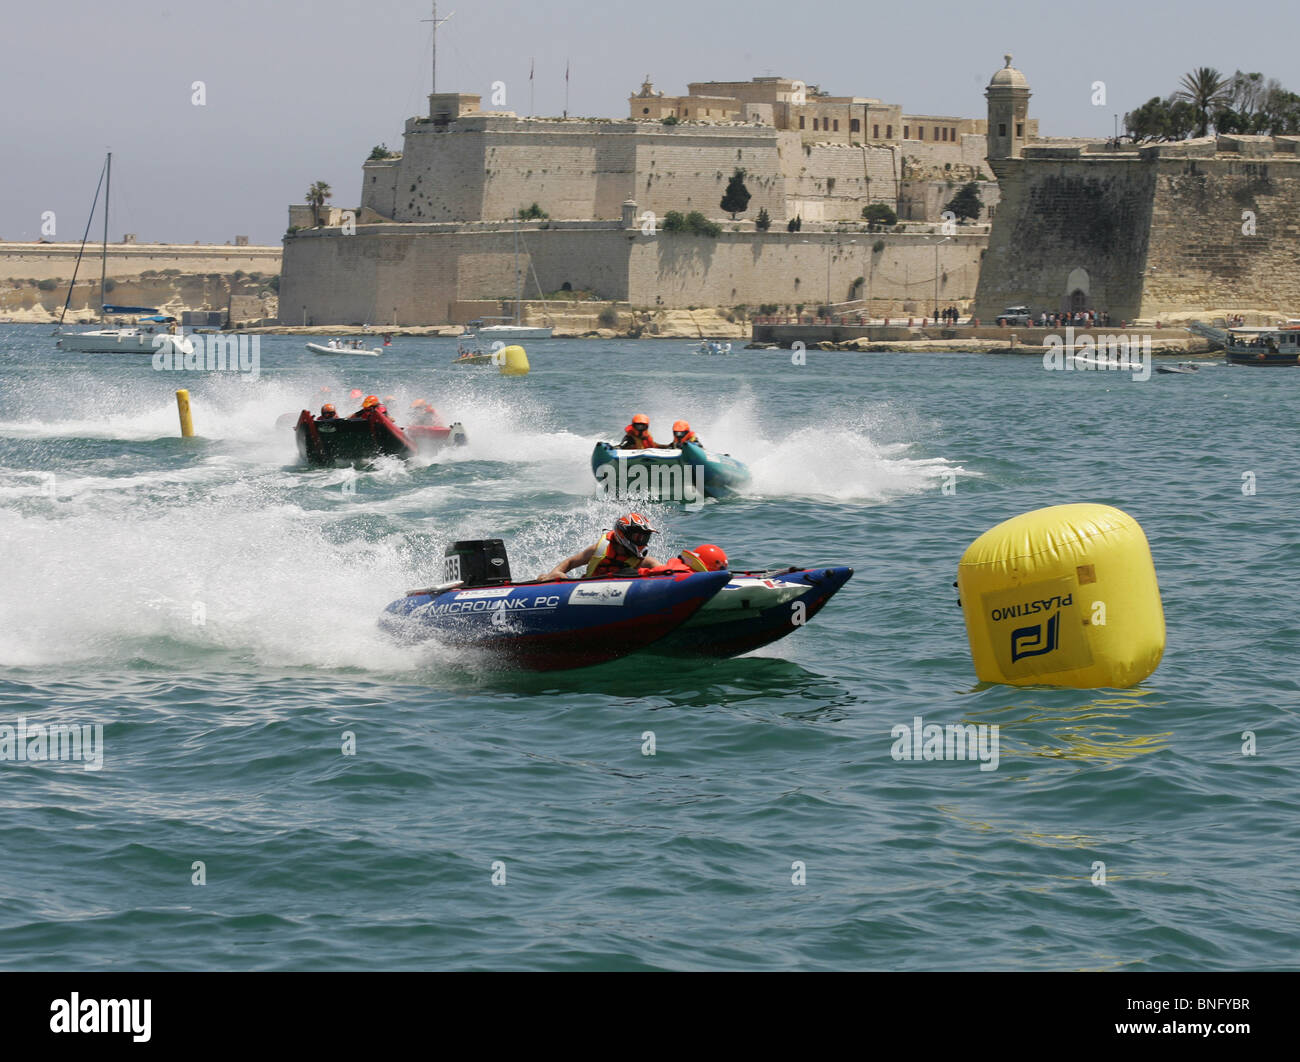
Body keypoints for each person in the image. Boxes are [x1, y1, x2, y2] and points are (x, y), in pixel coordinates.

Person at [538, 513, 662, 580]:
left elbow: (661, 569)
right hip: (585, 591)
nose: (642, 541)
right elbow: (571, 562)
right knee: (556, 576)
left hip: (619, 593)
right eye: (638, 537)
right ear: (623, 534)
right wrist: (555, 573)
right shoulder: (600, 549)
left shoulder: (642, 560)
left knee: (629, 572)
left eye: (645, 537)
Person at [644, 543, 729, 575]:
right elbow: (649, 563)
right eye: (722, 568)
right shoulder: (682, 571)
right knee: (652, 563)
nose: (723, 570)